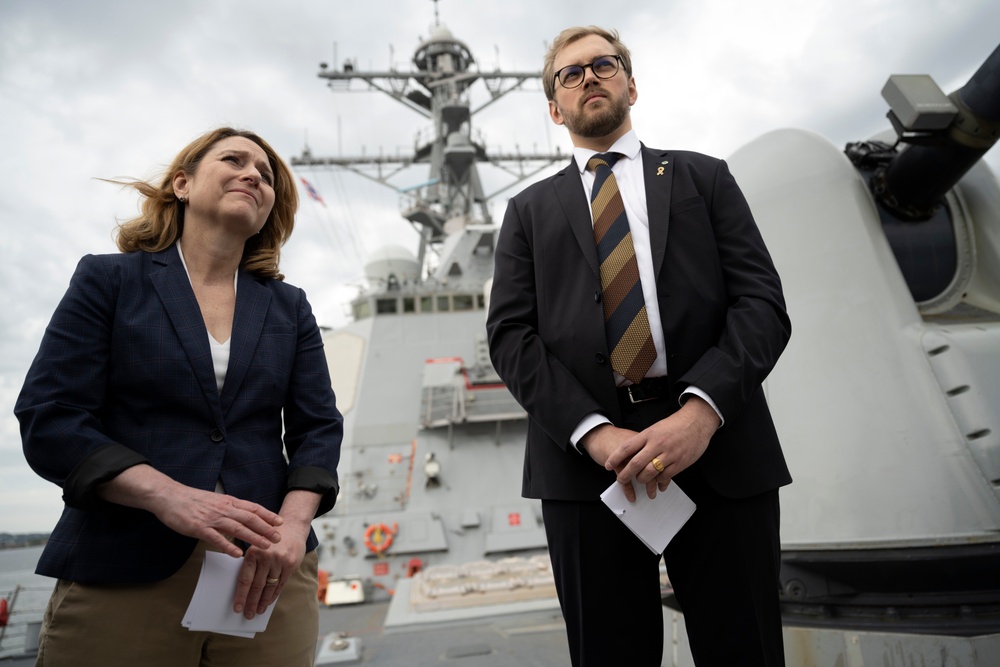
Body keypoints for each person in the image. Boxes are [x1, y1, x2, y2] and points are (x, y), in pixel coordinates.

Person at [486, 27, 792, 666]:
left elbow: (761, 304)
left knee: (747, 650)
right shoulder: (526, 212)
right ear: (553, 107)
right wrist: (594, 432)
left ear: (630, 82)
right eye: (569, 74)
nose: (588, 77)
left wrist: (700, 414)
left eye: (604, 64)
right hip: (585, 467)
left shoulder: (704, 179)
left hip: (718, 448)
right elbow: (511, 338)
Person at [15, 127, 343, 666]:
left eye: (266, 176)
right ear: (182, 184)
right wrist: (168, 495)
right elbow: (51, 416)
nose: (253, 175)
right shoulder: (108, 281)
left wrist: (295, 526)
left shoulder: (290, 307)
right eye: (234, 160)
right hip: (125, 560)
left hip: (265, 571)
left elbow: (318, 429)